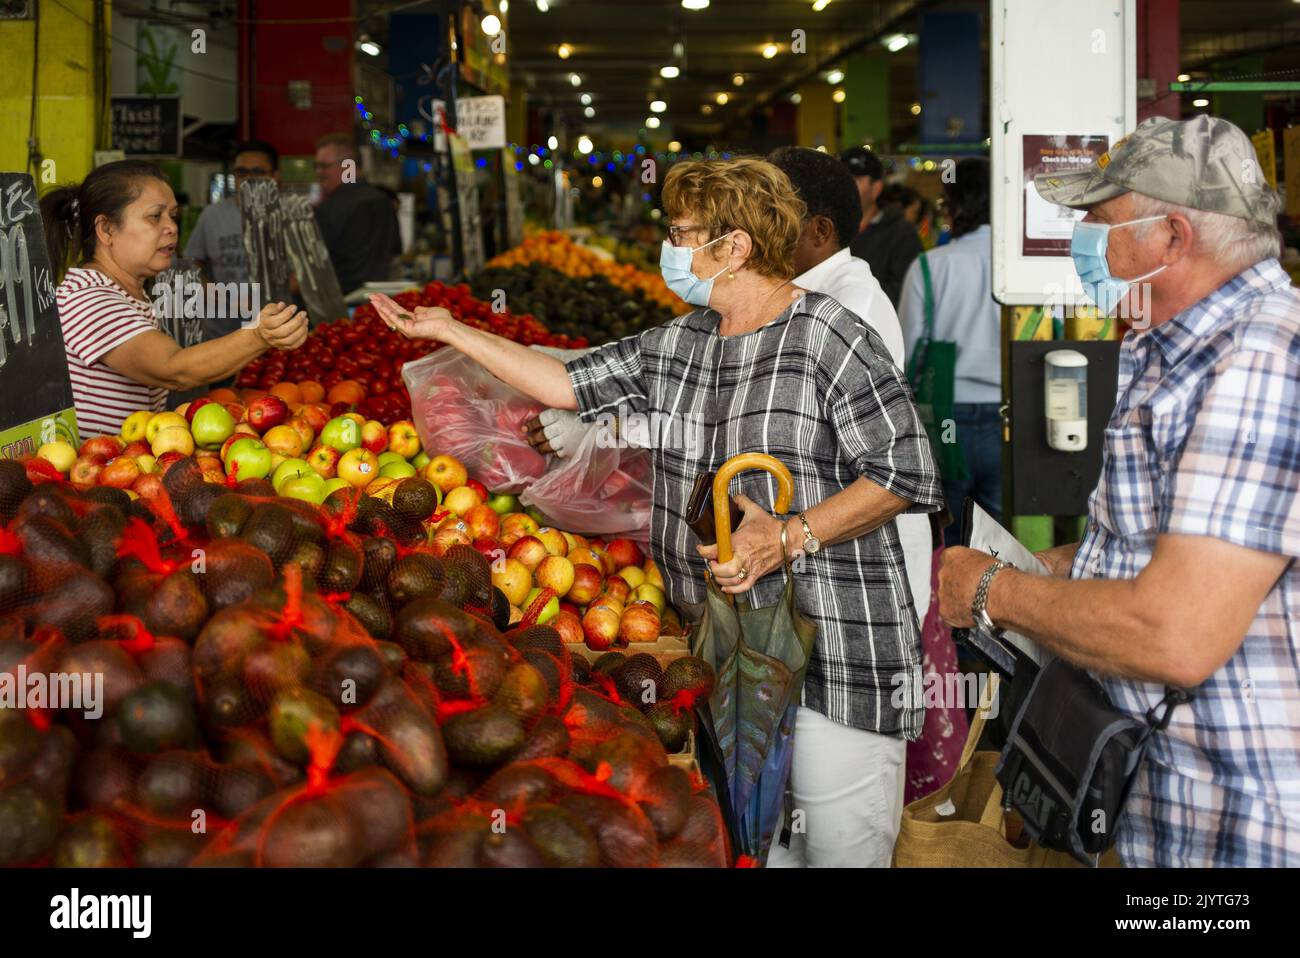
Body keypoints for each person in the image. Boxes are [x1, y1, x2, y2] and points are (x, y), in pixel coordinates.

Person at [371, 158, 943, 868]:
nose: (667, 248)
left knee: (836, 850)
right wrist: (454, 331)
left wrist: (788, 536)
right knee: (761, 848)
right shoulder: (680, 343)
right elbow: (565, 380)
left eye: (680, 233)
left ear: (732, 248)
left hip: (834, 652)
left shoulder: (830, 335)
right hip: (725, 658)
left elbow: (904, 471)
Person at [938, 115, 1299, 867]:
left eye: (1099, 222)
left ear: (1172, 236)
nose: (1082, 243)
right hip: (1158, 801)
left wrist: (995, 592)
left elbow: (1175, 632)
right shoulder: (1160, 347)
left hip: (1237, 821)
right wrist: (1059, 566)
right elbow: (1144, 544)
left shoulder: (1261, 360)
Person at [41, 160, 308, 439]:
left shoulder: (128, 292)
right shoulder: (89, 299)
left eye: (172, 215)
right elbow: (174, 369)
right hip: (94, 472)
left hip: (127, 463)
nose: (171, 227)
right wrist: (259, 335)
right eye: (155, 217)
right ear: (106, 229)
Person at [898, 158, 1001, 542]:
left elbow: (906, 353)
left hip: (946, 420)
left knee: (949, 533)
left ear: (954, 206)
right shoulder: (1020, 266)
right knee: (1001, 539)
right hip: (1011, 420)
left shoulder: (929, 266)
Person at [184, 139, 281, 341]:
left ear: (275, 176)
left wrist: (270, 297)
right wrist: (209, 289)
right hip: (223, 331)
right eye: (241, 172)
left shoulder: (289, 216)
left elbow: (305, 274)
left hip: (276, 329)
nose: (248, 179)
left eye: (258, 172)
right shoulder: (212, 215)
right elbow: (191, 263)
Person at [313, 133, 402, 293]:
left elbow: (314, 264)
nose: (319, 172)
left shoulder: (332, 207)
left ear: (348, 166)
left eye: (324, 166)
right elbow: (395, 251)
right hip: (378, 302)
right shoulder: (383, 200)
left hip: (339, 301)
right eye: (317, 166)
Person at [841, 146, 922, 308]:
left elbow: (904, 292)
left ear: (876, 188)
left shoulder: (901, 233)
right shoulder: (826, 228)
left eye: (855, 179)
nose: (845, 185)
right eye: (841, 178)